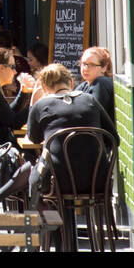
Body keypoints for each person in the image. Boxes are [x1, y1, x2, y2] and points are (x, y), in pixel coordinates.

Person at [27, 63, 117, 204]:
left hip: (59, 183)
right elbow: (113, 138)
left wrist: (33, 102)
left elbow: (34, 138)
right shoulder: (89, 100)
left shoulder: (41, 106)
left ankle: (55, 224)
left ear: (44, 87)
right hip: (98, 180)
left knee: (34, 176)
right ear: (70, 82)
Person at [76, 46, 116, 126]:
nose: (85, 68)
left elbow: (93, 113)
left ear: (104, 67)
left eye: (91, 65)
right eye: (83, 64)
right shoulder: (84, 85)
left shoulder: (101, 83)